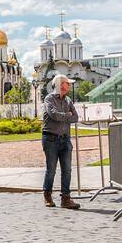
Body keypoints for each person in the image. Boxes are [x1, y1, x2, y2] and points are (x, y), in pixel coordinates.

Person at [41, 73, 80, 210]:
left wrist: (66, 115)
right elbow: (54, 115)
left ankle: (66, 199)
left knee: (67, 170)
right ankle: (47, 195)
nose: (69, 85)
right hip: (50, 139)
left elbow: (76, 117)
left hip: (65, 139)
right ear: (59, 84)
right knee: (51, 170)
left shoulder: (68, 100)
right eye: (67, 83)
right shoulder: (49, 99)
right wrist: (67, 115)